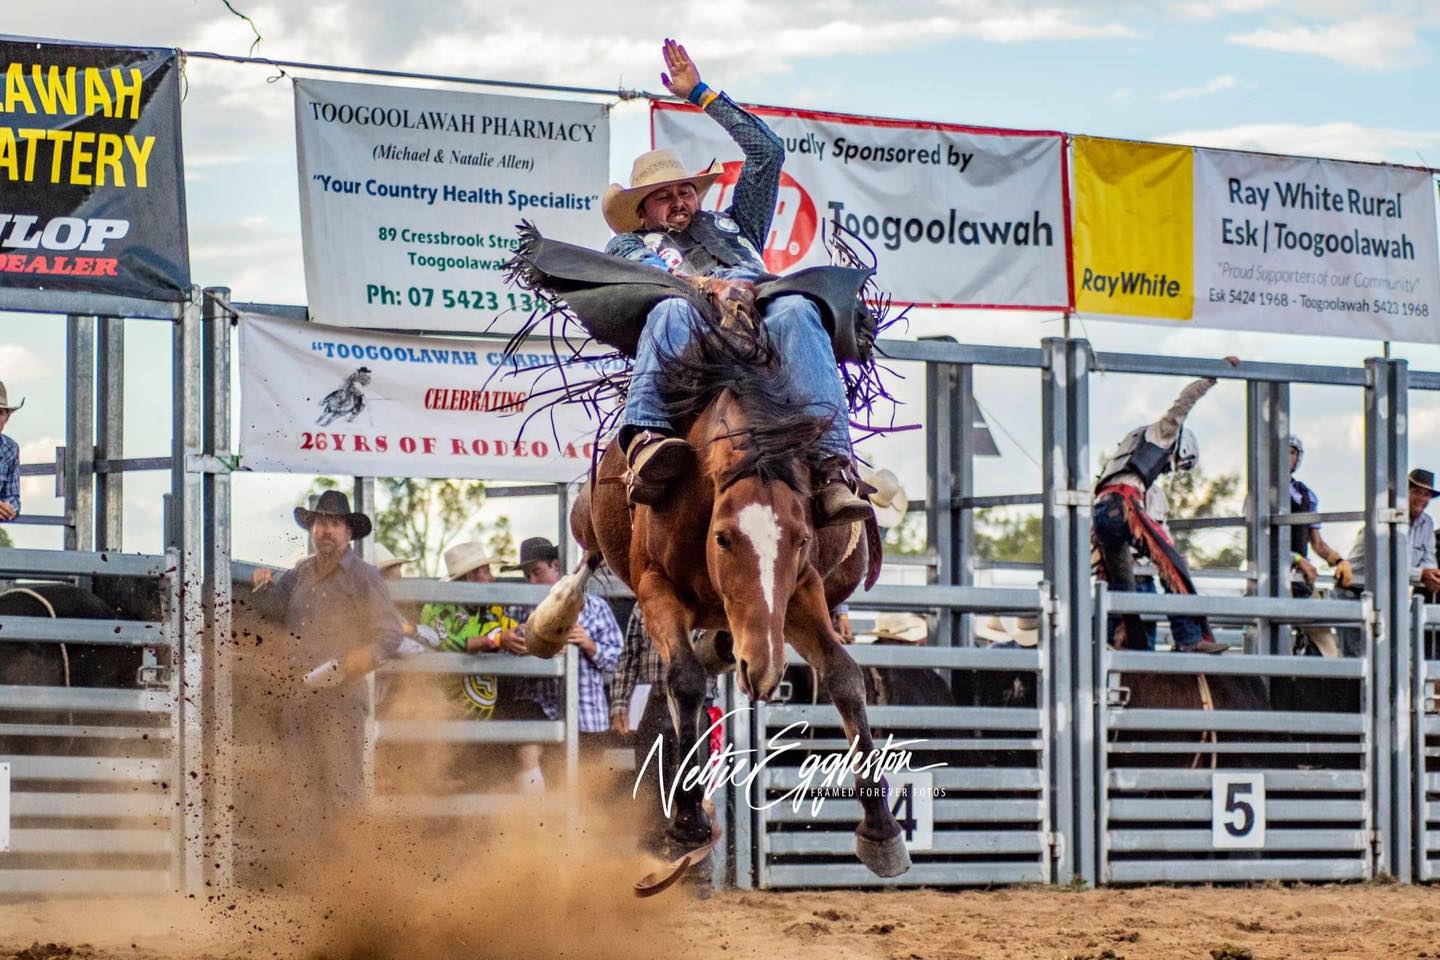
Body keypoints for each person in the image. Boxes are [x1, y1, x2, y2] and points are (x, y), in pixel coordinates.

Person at [602, 39, 869, 528]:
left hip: (762, 319)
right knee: (670, 308)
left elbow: (767, 153)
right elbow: (653, 283)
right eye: (662, 196)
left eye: (685, 190)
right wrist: (707, 286)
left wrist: (701, 94)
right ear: (641, 213)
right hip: (691, 334)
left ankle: (833, 466)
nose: (679, 200)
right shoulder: (627, 247)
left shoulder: (737, 225)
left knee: (799, 309)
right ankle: (645, 438)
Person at [244, 490, 404, 859]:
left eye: (333, 523)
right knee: (302, 787)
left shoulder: (363, 577)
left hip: (340, 697)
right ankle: (316, 875)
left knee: (341, 788)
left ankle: (351, 877)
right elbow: (273, 611)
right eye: (319, 522)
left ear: (348, 532)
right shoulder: (299, 573)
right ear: (312, 530)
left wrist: (353, 663)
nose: (325, 530)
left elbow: (390, 634)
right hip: (300, 695)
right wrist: (262, 586)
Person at [1092, 360, 1239, 654]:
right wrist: (1212, 376)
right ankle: (1187, 638)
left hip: (1103, 513)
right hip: (1124, 505)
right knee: (1174, 566)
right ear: (1180, 447)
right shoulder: (1163, 432)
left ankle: (1109, 644)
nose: (1168, 470)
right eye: (1174, 464)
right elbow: (1183, 403)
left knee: (1120, 586)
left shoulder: (1128, 446)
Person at [609, 607, 720, 853]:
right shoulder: (644, 606)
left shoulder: (707, 603)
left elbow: (722, 653)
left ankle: (693, 867)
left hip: (697, 704)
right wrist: (619, 702)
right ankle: (654, 857)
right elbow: (629, 657)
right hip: (658, 700)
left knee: (696, 788)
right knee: (650, 785)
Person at [506, 537, 623, 763]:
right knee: (543, 769)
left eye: (537, 572)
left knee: (590, 785)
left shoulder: (595, 608)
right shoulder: (520, 608)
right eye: (527, 575)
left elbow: (618, 659)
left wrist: (589, 644)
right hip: (540, 711)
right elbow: (507, 650)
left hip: (587, 715)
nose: (532, 581)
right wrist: (535, 645)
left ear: (555, 567)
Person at [1336, 468, 1440, 657]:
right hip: (1354, 591)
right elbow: (1384, 566)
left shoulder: (1427, 523)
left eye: (1427, 495)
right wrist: (1423, 575)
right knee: (1359, 658)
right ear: (1404, 493)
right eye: (1417, 492)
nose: (1423, 499)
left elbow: (1428, 561)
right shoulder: (1384, 518)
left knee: (1387, 658)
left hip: (1387, 596)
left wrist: (1432, 575)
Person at [0, 380, 23, 524]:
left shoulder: (10, 449)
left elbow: (13, 496)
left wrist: (9, 508)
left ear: (7, 416)